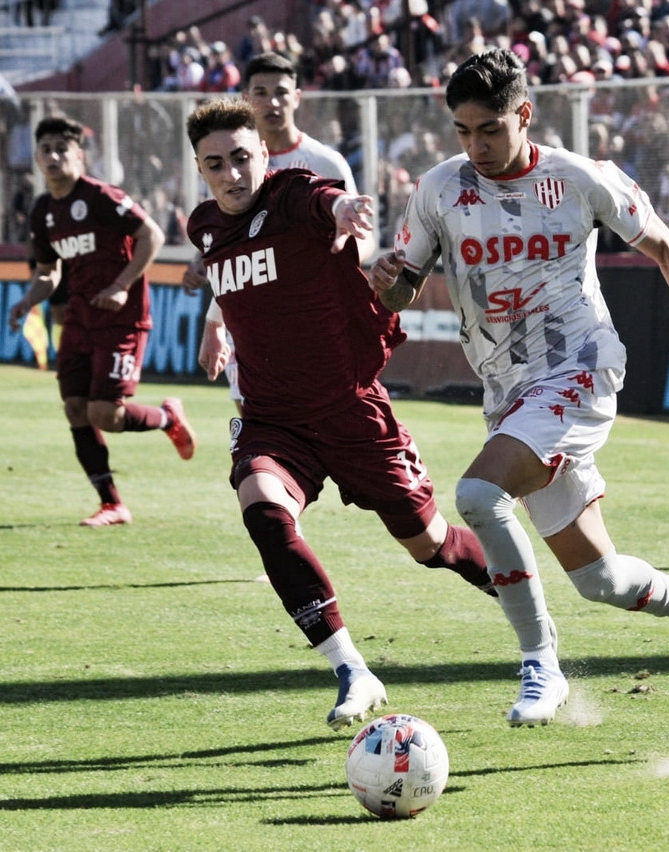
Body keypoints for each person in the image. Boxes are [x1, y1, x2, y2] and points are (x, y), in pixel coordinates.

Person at [369, 48, 669, 726]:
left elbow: (668, 248)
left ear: (524, 114)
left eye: (489, 128)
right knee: (599, 580)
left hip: (580, 371)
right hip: (509, 394)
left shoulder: (580, 178)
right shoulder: (439, 189)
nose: (476, 145)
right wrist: (390, 284)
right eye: (463, 131)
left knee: (477, 495)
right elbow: (403, 286)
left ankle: (540, 664)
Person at [183, 97, 499, 731]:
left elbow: (318, 199)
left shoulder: (294, 192)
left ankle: (524, 599)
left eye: (242, 158)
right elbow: (224, 263)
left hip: (350, 410)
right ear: (200, 168)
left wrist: (343, 209)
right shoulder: (204, 227)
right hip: (274, 420)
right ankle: (353, 668)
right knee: (264, 511)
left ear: (264, 155)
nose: (231, 174)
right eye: (215, 164)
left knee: (430, 545)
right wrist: (212, 306)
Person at [8, 115, 196, 527]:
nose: (54, 156)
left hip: (121, 319)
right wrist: (26, 301)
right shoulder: (43, 211)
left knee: (105, 415)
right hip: (78, 318)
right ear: (37, 159)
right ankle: (112, 503)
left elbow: (153, 235)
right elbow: (48, 272)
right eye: (46, 150)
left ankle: (167, 417)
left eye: (62, 148)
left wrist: (122, 284)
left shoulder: (101, 196)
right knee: (75, 408)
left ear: (79, 155)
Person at [189, 51, 371, 415]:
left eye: (281, 92)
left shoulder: (324, 162)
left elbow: (361, 235)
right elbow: (229, 246)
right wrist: (203, 265)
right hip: (251, 317)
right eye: (260, 91)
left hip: (312, 318)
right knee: (256, 418)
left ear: (297, 97)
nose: (271, 102)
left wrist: (337, 248)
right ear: (245, 98)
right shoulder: (226, 166)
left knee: (333, 420)